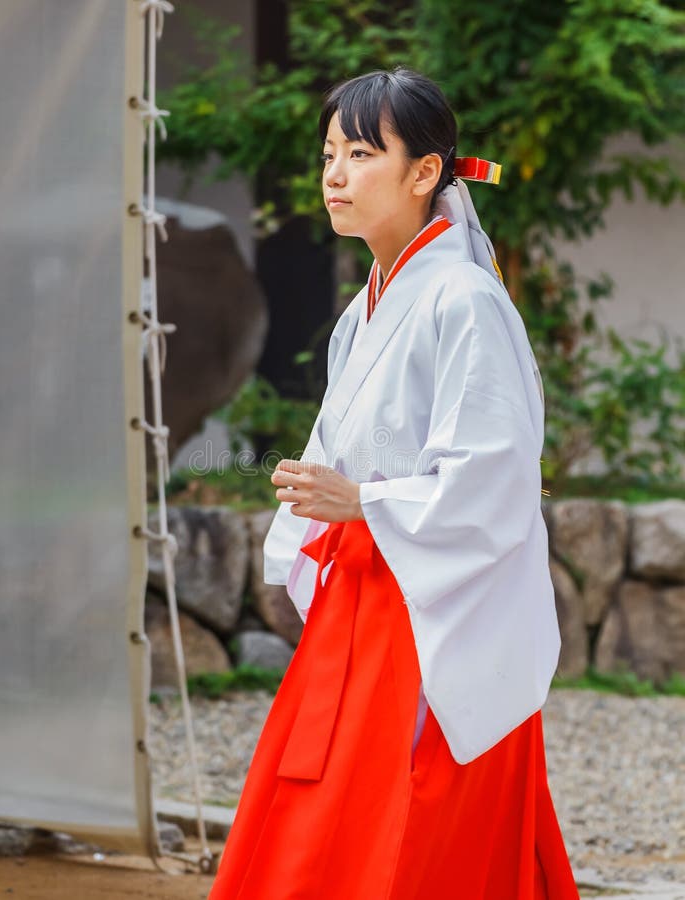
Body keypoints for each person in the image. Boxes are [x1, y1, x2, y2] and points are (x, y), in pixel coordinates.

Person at [208, 67, 579, 900]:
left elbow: (499, 478)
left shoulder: (464, 299)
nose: (335, 174)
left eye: (362, 153)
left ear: (424, 173)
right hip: (369, 588)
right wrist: (323, 496)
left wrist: (365, 499)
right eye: (329, 153)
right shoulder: (367, 308)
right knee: (324, 808)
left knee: (399, 815)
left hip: (429, 596)